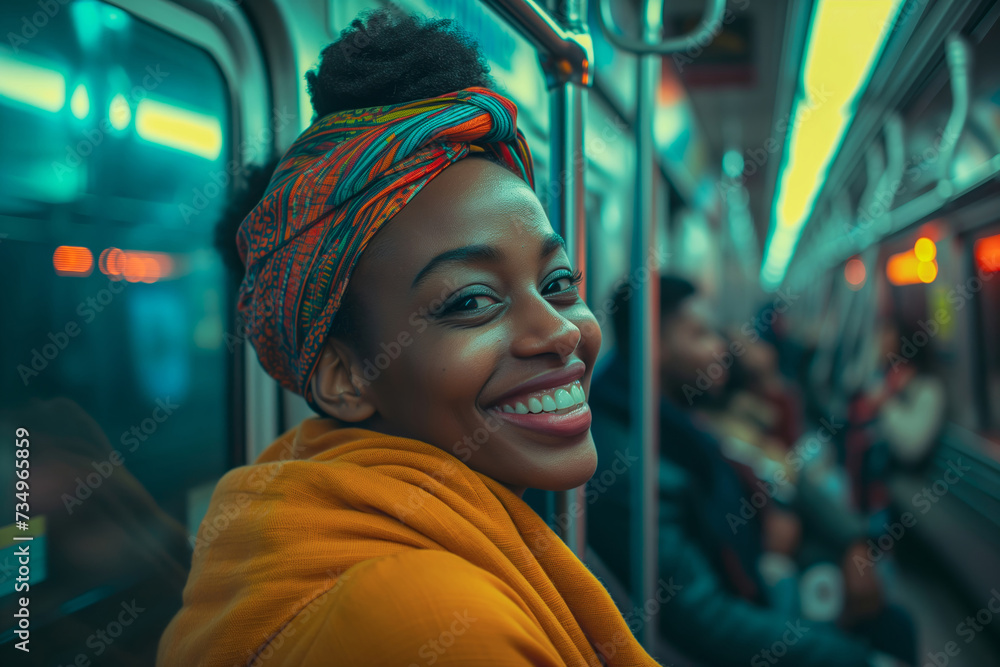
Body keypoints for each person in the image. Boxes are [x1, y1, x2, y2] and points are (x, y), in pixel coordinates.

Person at [157, 10, 659, 667]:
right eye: (472, 301)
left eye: (559, 282)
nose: (561, 330)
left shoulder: (306, 517)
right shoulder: (432, 620)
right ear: (343, 374)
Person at [586, 275, 916, 666]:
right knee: (891, 632)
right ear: (655, 345)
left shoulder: (675, 420)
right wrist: (857, 660)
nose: (720, 348)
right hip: (747, 606)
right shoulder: (633, 464)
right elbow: (705, 622)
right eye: (699, 334)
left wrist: (845, 541)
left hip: (761, 579)